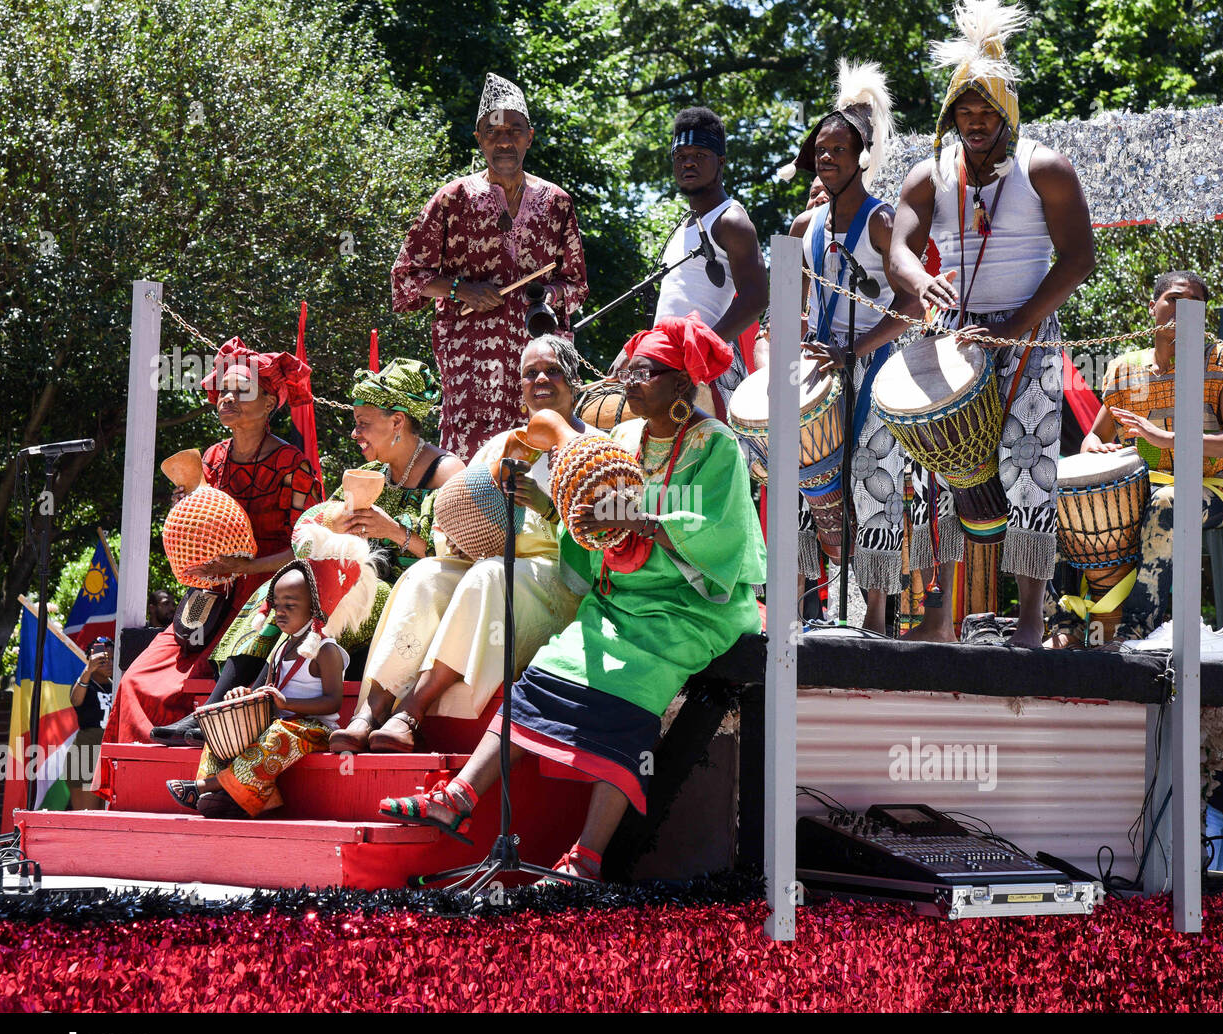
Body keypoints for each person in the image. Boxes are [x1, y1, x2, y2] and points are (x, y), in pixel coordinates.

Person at [377, 314, 766, 882]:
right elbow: (592, 522)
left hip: (689, 605)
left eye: (645, 372)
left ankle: (586, 856)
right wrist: (541, 497)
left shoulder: (718, 447)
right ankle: (457, 797)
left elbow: (718, 530)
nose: (628, 382)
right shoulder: (623, 439)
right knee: (544, 671)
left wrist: (652, 521)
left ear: (682, 384)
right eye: (626, 371)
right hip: (621, 595)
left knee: (629, 684)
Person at [889, 0, 1095, 647]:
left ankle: (1030, 617)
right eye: (964, 114)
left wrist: (1018, 323)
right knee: (943, 472)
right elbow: (898, 247)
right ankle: (939, 614)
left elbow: (1081, 258)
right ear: (951, 119)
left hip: (1028, 336)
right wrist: (921, 281)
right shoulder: (931, 173)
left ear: (1007, 116)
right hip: (953, 340)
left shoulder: (1046, 167)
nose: (975, 124)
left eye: (986, 114)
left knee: (1030, 465)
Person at [150, 357, 464, 746]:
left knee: (324, 592)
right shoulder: (373, 474)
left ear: (397, 422)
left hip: (412, 597)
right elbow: (308, 526)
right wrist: (329, 522)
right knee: (282, 589)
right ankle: (212, 711)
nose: (354, 433)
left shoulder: (448, 472)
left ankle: (244, 713)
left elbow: (457, 555)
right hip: (356, 587)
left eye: (363, 424)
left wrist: (394, 531)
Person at [331, 336, 593, 753]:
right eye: (530, 373)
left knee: (489, 575)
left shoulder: (591, 446)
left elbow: (602, 537)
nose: (540, 379)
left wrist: (547, 510)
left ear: (574, 381)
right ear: (520, 387)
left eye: (553, 370)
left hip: (559, 575)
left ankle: (412, 710)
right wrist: (456, 536)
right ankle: (372, 709)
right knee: (425, 575)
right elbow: (453, 516)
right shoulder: (499, 445)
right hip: (488, 560)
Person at [100, 338, 323, 755]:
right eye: (225, 390)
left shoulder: (295, 463)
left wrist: (246, 568)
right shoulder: (212, 459)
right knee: (136, 677)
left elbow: (309, 549)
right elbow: (201, 530)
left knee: (213, 663)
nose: (227, 398)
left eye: (242, 391)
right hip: (213, 590)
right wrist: (185, 514)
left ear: (271, 402)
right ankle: (126, 785)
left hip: (271, 585)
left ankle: (205, 729)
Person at [782, 59, 922, 630]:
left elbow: (914, 306)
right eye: (820, 151)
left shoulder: (882, 220)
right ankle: (792, 614)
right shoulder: (801, 228)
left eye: (838, 150)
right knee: (800, 485)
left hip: (873, 366)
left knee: (874, 480)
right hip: (817, 368)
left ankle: (875, 616)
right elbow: (787, 308)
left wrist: (857, 348)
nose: (827, 158)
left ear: (862, 156)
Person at [1050, 272, 1223, 645]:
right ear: (1153, 308)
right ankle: (1064, 625)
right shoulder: (1124, 368)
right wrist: (1096, 447)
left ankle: (1136, 629)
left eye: (1195, 302)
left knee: (1166, 503)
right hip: (1140, 491)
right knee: (1059, 502)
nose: (1183, 309)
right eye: (1174, 299)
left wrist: (1170, 439)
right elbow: (1094, 437)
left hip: (1210, 490)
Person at [391, 73, 589, 460]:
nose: (504, 140)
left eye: (514, 130)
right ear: (479, 138)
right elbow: (406, 277)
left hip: (541, 365)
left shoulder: (557, 202)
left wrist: (546, 293)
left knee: (545, 453)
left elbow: (577, 285)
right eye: (493, 131)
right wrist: (459, 289)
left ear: (529, 137)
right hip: (470, 364)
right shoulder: (452, 199)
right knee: (473, 469)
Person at [165, 525, 378, 818]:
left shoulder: (325, 650)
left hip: (311, 728)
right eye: (276, 605)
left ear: (315, 606)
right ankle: (255, 795)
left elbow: (333, 702)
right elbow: (261, 691)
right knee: (222, 730)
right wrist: (244, 695)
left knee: (278, 734)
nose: (280, 612)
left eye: (290, 605)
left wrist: (286, 704)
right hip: (276, 720)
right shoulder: (279, 648)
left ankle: (205, 786)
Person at [649, 107, 768, 419]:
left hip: (702, 375)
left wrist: (702, 349)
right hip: (667, 364)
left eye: (700, 154)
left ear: (721, 162)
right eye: (680, 155)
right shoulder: (687, 224)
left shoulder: (731, 219)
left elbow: (757, 298)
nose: (688, 162)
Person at [68, 637, 113, 810]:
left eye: (112, 659)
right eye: (103, 660)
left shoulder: (116, 683)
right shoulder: (85, 684)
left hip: (108, 756)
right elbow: (75, 700)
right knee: (86, 817)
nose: (109, 663)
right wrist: (89, 669)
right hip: (86, 755)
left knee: (105, 817)